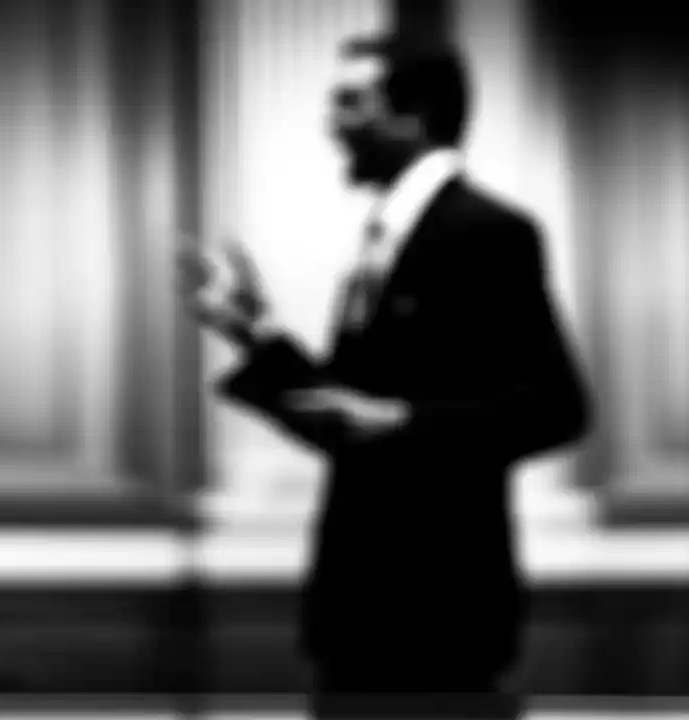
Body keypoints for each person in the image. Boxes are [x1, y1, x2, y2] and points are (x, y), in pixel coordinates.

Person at [181, 35, 591, 711]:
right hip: (358, 623)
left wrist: (404, 422)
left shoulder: (487, 231)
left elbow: (558, 408)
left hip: (440, 627)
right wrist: (255, 334)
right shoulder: (384, 240)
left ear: (415, 113)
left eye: (351, 102)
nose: (332, 122)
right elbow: (346, 422)